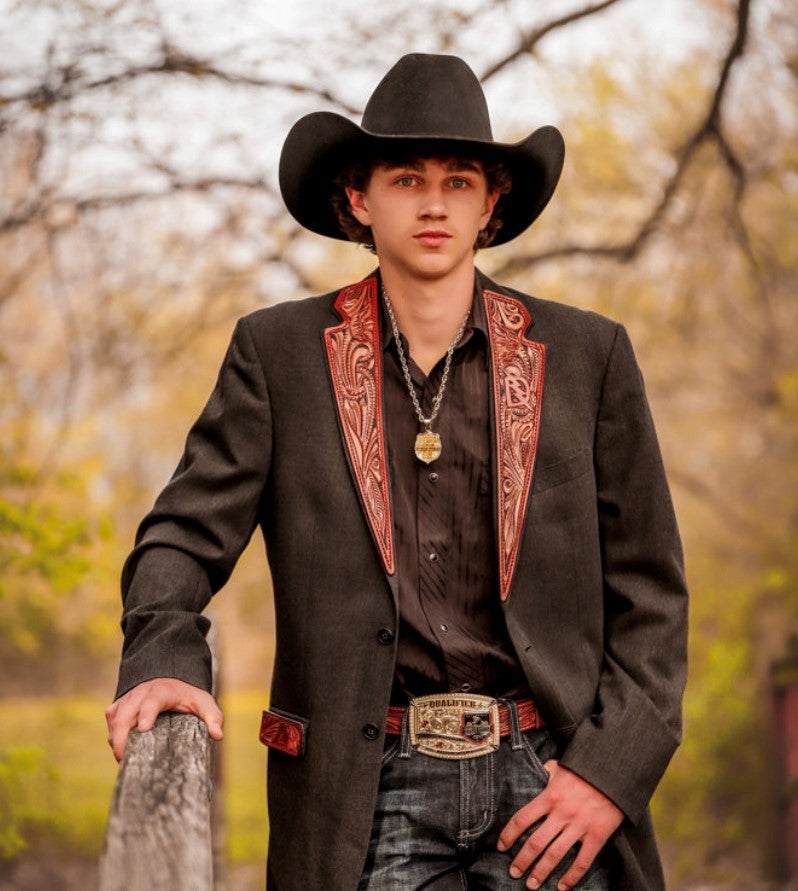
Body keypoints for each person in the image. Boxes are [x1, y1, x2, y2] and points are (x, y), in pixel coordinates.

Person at [105, 53, 688, 890]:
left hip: (552, 777)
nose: (434, 204)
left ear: (490, 204)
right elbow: (182, 535)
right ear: (359, 197)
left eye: (459, 181)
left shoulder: (588, 356)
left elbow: (652, 593)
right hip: (367, 787)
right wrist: (164, 653)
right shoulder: (279, 354)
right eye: (407, 179)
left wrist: (609, 772)